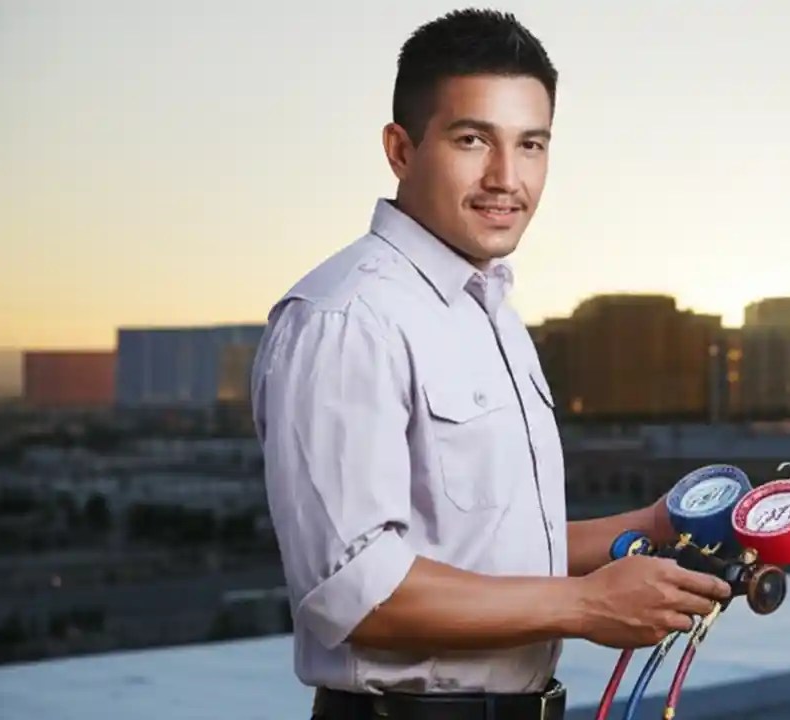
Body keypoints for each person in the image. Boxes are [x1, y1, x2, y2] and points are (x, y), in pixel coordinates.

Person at [249, 8, 732, 720]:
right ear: (401, 149)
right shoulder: (347, 316)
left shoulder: (490, 312)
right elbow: (353, 591)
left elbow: (493, 550)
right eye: (472, 139)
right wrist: (584, 604)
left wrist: (657, 525)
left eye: (531, 144)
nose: (507, 177)